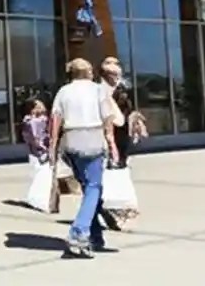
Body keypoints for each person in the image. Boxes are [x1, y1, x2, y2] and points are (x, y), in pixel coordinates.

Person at [50, 57, 118, 259]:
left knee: (89, 187)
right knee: (94, 187)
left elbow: (56, 120)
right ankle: (78, 233)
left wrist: (52, 146)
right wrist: (112, 143)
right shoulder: (98, 90)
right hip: (92, 138)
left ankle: (95, 236)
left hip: (71, 140)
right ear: (88, 72)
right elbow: (108, 119)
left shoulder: (63, 91)